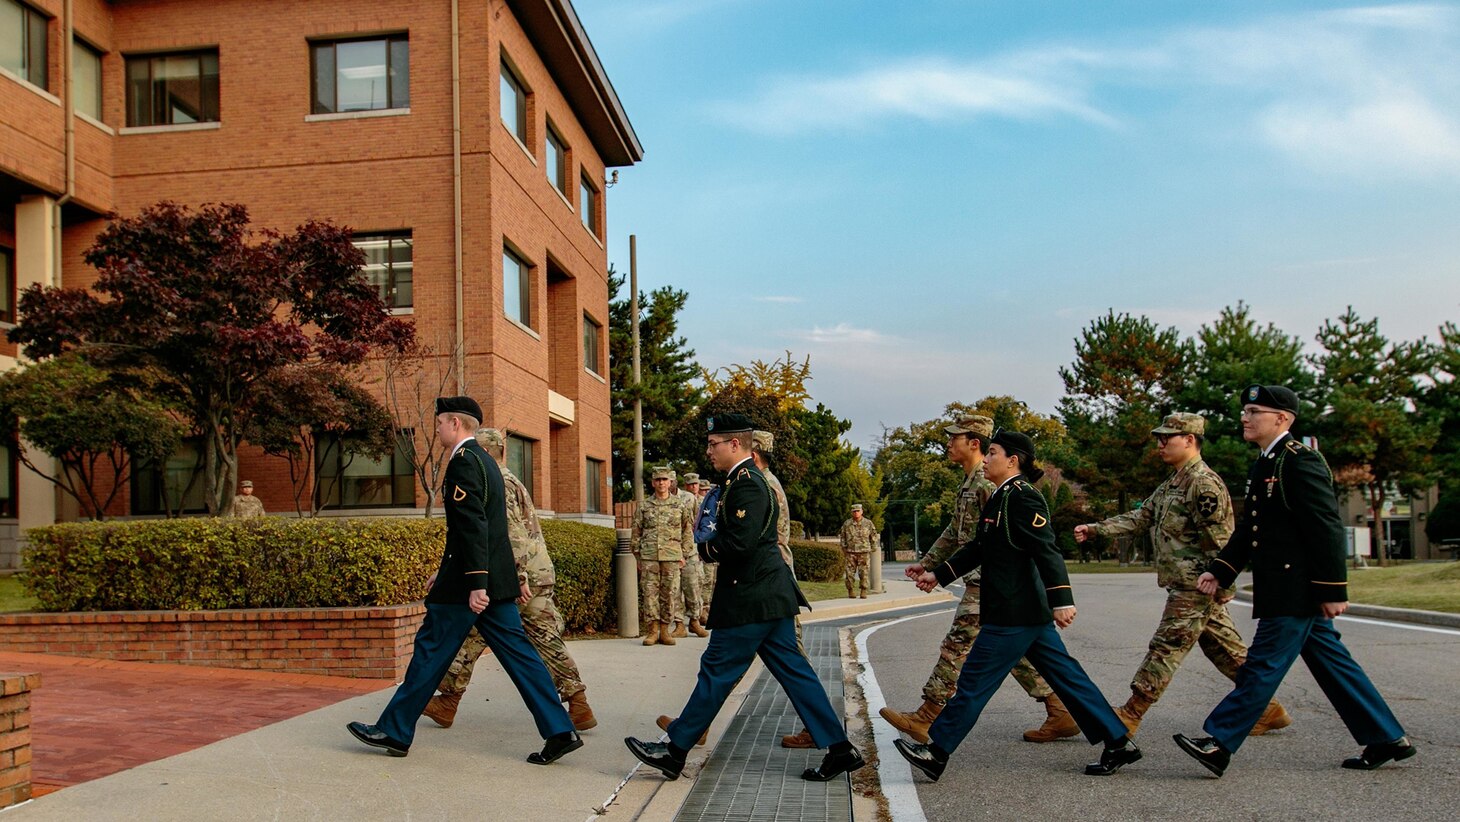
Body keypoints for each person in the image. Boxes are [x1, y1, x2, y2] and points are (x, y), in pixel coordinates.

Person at [1174, 385, 1414, 777]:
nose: (1245, 418)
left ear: (1281, 419)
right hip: (1285, 587)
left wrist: (1334, 589)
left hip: (1297, 589)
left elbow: (1326, 527)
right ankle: (1386, 736)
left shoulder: (1300, 462)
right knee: (1334, 664)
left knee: (1263, 665)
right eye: (1245, 411)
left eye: (1254, 411)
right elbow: (1252, 529)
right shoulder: (1266, 463)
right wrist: (1221, 569)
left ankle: (1218, 742)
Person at [625, 413, 865, 783]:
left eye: (713, 444)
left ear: (735, 444)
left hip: (751, 596)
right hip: (767, 595)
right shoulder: (740, 481)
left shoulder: (748, 483)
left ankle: (675, 752)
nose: (708, 451)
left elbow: (741, 542)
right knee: (796, 673)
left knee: (717, 669)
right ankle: (840, 749)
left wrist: (703, 551)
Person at [896, 430, 1142, 782]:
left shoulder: (1024, 498)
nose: (986, 458)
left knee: (973, 682)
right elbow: (979, 548)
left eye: (992, 452)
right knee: (1069, 679)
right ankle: (1119, 741)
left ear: (1013, 460)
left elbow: (1047, 550)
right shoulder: (1000, 498)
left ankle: (936, 752)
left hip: (1014, 613)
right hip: (1025, 615)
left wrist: (1062, 601)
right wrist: (938, 575)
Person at [346, 397, 580, 765]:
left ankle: (394, 729)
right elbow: (484, 531)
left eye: (439, 423)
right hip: (488, 580)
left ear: (455, 423)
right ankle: (560, 729)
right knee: (519, 655)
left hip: (469, 587)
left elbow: (474, 527)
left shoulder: (464, 463)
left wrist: (476, 584)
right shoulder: (488, 463)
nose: (436, 429)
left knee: (430, 649)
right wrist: (482, 577)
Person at [1076, 412, 1289, 737]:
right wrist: (1095, 529)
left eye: (1167, 439)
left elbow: (1223, 541)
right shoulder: (1173, 482)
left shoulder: (1203, 484)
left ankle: (1131, 714)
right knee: (1226, 652)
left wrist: (1222, 581)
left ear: (1189, 440)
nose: (1160, 445)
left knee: (1166, 646)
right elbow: (1141, 516)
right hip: (1189, 584)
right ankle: (1266, 707)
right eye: (1159, 439)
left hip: (1198, 586)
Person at [881, 414, 1077, 746]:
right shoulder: (972, 481)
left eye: (954, 438)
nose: (948, 444)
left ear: (974, 443)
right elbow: (956, 533)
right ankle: (1060, 708)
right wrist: (928, 564)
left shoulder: (989, 483)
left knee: (958, 643)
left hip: (991, 581)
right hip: (983, 580)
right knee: (1012, 652)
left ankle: (927, 716)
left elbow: (989, 542)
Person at [421, 427, 596, 732]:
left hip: (518, 576)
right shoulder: (511, 479)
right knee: (510, 637)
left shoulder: (495, 480)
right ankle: (577, 704)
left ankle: (576, 704)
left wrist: (518, 578)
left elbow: (508, 534)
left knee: (500, 637)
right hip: (531, 572)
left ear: (486, 452)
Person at [634, 466, 693, 646]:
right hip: (649, 556)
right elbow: (636, 531)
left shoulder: (680, 505)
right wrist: (637, 556)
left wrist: (685, 554)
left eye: (664, 480)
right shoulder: (644, 506)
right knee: (649, 593)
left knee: (669, 593)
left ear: (670, 482)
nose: (661, 483)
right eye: (658, 480)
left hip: (672, 556)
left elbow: (687, 530)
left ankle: (665, 631)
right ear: (653, 483)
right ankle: (652, 631)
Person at [672, 472, 708, 638]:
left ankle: (694, 620)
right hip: (671, 550)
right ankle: (679, 624)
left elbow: (696, 522)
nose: (668, 483)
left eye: (670, 480)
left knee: (693, 586)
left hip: (690, 549)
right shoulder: (659, 502)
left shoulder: (689, 498)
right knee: (674, 590)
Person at [838, 503, 877, 598]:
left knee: (864, 573)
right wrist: (843, 547)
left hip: (864, 552)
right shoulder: (847, 524)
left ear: (862, 511)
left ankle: (863, 590)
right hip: (850, 552)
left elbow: (873, 535)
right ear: (852, 512)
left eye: (858, 511)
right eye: (854, 511)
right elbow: (843, 536)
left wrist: (873, 546)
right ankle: (850, 590)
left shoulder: (868, 523)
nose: (856, 513)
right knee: (849, 573)